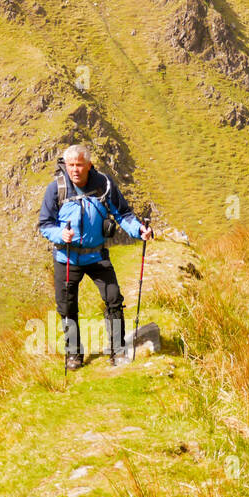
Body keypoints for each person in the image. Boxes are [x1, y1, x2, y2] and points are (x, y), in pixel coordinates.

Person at [37, 144, 152, 369]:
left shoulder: (103, 185)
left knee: (113, 300)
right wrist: (60, 234)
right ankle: (74, 355)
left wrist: (139, 230)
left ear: (89, 165)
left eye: (79, 165)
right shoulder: (56, 189)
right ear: (65, 166)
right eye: (71, 165)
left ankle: (117, 352)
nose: (75, 170)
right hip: (67, 258)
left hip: (97, 256)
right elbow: (45, 224)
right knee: (67, 307)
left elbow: (123, 214)